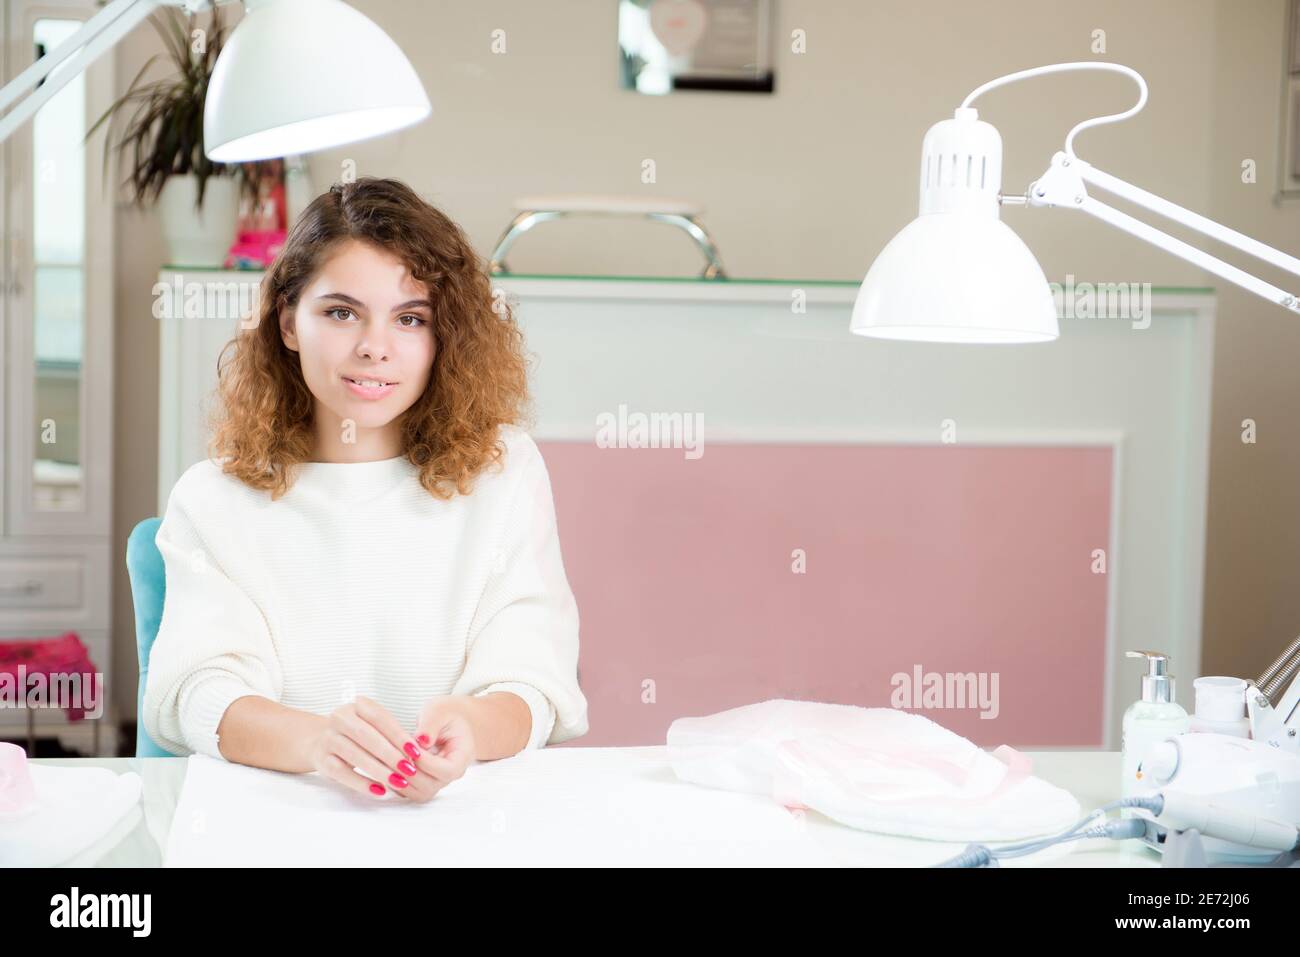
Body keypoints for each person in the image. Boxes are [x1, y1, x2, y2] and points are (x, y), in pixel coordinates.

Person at [142, 177, 588, 804]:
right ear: (289, 323)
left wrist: (471, 728)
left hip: (461, 827)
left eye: (410, 319)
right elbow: (200, 693)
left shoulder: (505, 473)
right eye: (342, 312)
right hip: (279, 827)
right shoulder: (213, 499)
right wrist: (318, 743)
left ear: (443, 339)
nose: (375, 347)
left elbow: (533, 681)